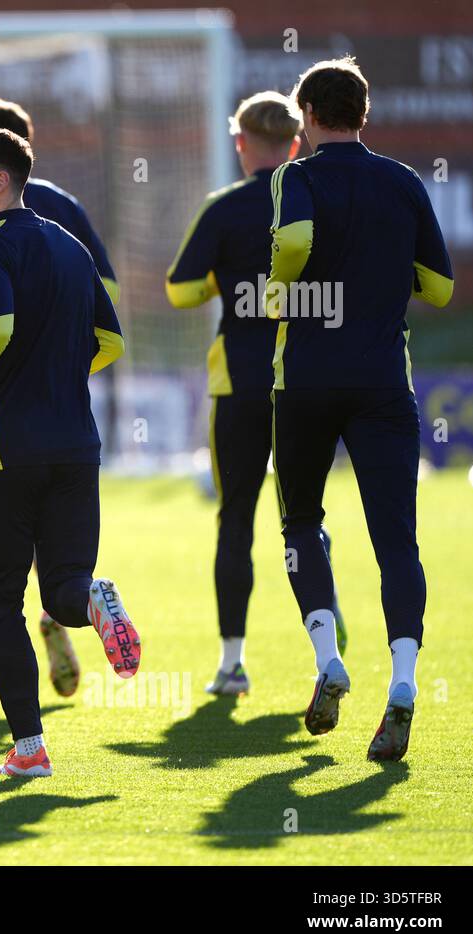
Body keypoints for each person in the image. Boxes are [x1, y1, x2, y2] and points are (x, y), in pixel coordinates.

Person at [0, 129, 140, 778]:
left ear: (0, 183)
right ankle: (96, 603)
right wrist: (57, 378)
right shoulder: (70, 247)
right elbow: (110, 341)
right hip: (75, 443)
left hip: (0, 448)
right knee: (65, 586)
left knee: (4, 601)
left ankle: (30, 749)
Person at [265, 57, 452, 759]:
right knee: (396, 541)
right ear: (363, 114)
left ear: (307, 116)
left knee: (301, 524)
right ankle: (403, 682)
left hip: (306, 380)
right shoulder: (403, 183)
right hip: (381, 383)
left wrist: (282, 289)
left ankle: (328, 661)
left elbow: (293, 242)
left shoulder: (296, 177)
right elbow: (436, 289)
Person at [0, 97, 118, 698]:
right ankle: (74, 603)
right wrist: (60, 366)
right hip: (69, 423)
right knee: (60, 562)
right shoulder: (67, 224)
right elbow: (108, 322)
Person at [166, 91, 347, 696]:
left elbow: (180, 289)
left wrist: (227, 284)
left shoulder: (225, 208)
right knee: (304, 516)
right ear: (295, 143)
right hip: (310, 376)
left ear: (240, 142)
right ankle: (325, 622)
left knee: (235, 518)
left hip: (239, 382)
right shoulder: (316, 196)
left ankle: (231, 664)